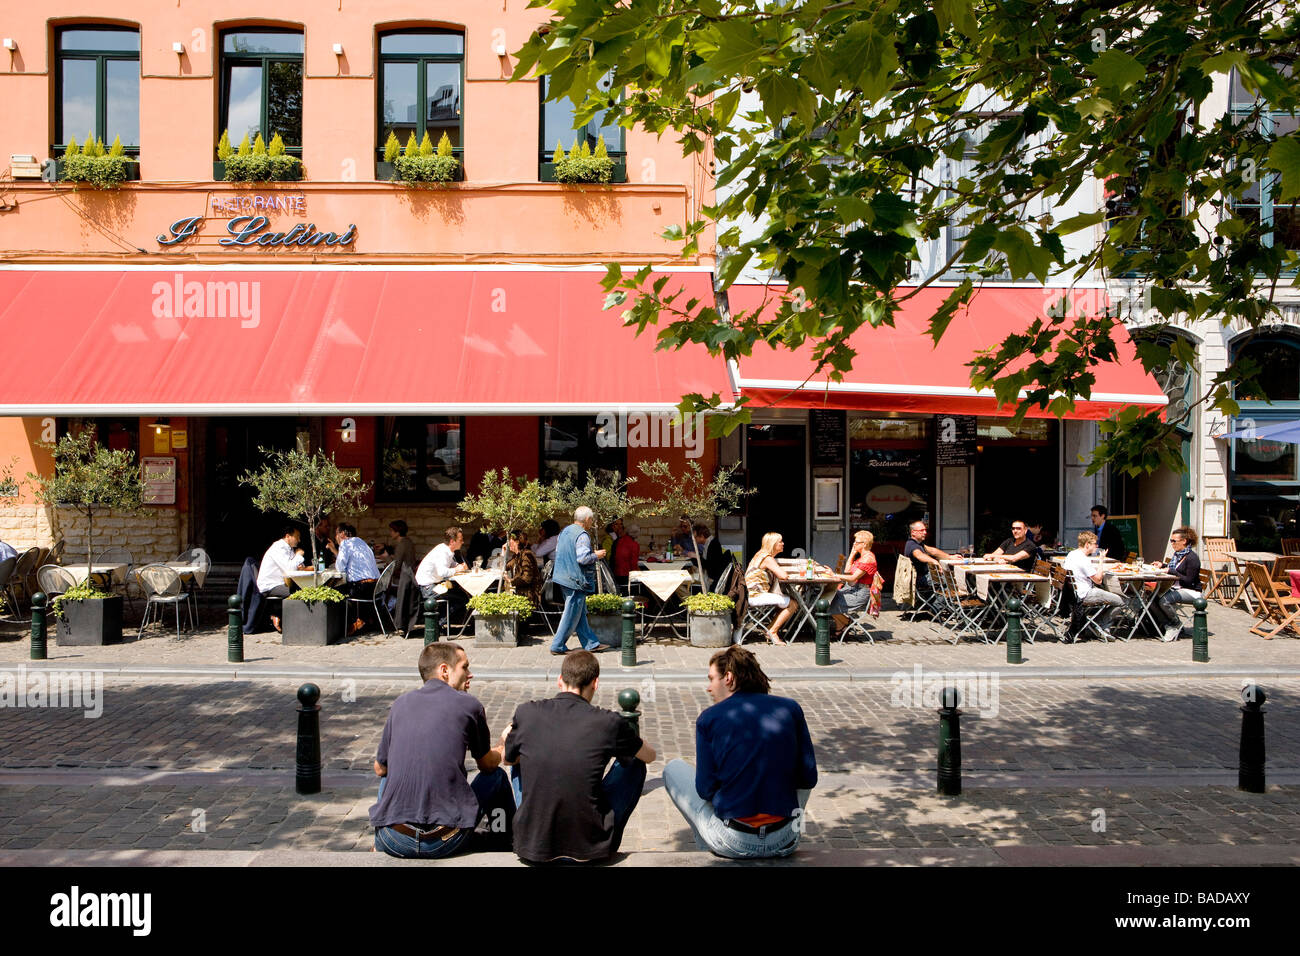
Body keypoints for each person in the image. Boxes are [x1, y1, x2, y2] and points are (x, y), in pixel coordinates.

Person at [663, 646, 817, 859]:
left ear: (728, 678)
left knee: (673, 768)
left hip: (733, 839)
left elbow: (705, 789)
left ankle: (708, 848)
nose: (709, 688)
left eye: (711, 679)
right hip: (785, 838)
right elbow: (809, 778)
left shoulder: (710, 718)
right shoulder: (790, 708)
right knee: (794, 769)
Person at [504, 650, 656, 863]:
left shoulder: (527, 712)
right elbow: (649, 756)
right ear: (595, 683)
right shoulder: (607, 722)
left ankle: (535, 827)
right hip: (589, 848)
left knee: (518, 757)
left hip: (534, 849)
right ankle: (603, 833)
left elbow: (507, 760)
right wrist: (629, 740)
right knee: (635, 764)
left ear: (560, 680)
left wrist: (510, 736)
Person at [369, 643, 515, 859]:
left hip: (395, 839)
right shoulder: (469, 705)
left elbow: (379, 768)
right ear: (445, 671)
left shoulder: (400, 704)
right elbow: (486, 764)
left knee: (387, 775)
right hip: (446, 839)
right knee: (497, 778)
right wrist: (502, 745)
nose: (470, 674)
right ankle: (504, 841)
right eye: (465, 667)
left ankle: (379, 843)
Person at [549, 506, 607, 655]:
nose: (592, 522)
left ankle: (591, 643)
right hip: (575, 580)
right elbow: (582, 558)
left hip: (563, 576)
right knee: (571, 614)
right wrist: (597, 555)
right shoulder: (582, 535)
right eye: (591, 519)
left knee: (578, 613)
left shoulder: (565, 531)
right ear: (587, 519)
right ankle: (557, 645)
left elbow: (565, 552)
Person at [1063, 530, 1124, 640]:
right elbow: (1098, 580)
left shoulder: (1072, 554)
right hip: (1085, 594)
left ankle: (1095, 625)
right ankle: (1099, 625)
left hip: (1072, 594)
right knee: (1121, 601)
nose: (1097, 546)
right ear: (1087, 544)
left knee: (1110, 596)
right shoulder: (1083, 559)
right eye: (1095, 544)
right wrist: (1101, 560)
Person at [744, 532, 796, 644]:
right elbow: (783, 576)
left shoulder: (760, 554)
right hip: (756, 596)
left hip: (752, 594)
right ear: (773, 544)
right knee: (793, 603)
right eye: (780, 541)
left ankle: (770, 630)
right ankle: (772, 631)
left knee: (783, 602)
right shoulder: (767, 558)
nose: (783, 543)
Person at [256, 526, 311, 632]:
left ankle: (282, 617)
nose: (299, 540)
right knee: (300, 592)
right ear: (288, 536)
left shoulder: (289, 549)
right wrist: (299, 555)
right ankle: (289, 621)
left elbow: (293, 567)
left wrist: (299, 564)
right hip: (271, 585)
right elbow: (289, 568)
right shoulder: (278, 548)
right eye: (297, 537)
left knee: (304, 589)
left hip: (282, 583)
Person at [1153, 526, 1202, 642]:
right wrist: (1163, 565)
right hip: (1176, 587)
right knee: (1151, 598)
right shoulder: (1177, 555)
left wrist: (1170, 571)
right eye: (1171, 541)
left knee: (1164, 600)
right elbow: (1174, 568)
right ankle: (1167, 625)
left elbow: (1188, 580)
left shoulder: (1192, 558)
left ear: (1184, 541)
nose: (1172, 544)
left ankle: (1175, 624)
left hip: (1191, 591)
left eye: (1174, 541)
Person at [830, 529, 881, 631]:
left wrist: (834, 575)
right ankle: (841, 628)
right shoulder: (862, 557)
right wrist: (852, 553)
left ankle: (847, 623)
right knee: (828, 599)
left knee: (829, 605)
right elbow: (847, 570)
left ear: (864, 544)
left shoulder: (868, 559)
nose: (854, 544)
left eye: (856, 542)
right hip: (852, 589)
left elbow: (853, 577)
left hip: (860, 592)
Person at [416, 527, 469, 623]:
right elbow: (442, 572)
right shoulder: (442, 552)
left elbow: (450, 563)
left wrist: (458, 565)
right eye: (460, 540)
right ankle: (437, 623)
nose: (463, 542)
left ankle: (441, 622)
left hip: (433, 585)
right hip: (427, 588)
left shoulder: (446, 550)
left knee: (460, 594)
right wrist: (456, 569)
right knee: (462, 599)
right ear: (452, 541)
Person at [335, 523, 380, 634]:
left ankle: (348, 625)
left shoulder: (346, 543)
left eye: (336, 533)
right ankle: (365, 618)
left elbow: (340, 567)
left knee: (336, 592)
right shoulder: (362, 542)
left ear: (342, 534)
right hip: (375, 587)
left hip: (361, 588)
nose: (335, 537)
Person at [903, 520, 952, 604]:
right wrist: (934, 561)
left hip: (922, 577)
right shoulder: (912, 545)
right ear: (913, 532)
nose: (925, 532)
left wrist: (950, 557)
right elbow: (918, 555)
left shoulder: (918, 543)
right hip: (919, 579)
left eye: (925, 530)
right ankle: (937, 607)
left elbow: (932, 551)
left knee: (948, 579)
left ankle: (933, 604)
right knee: (951, 582)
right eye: (922, 530)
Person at [505, 529, 542, 612]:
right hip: (520, 592)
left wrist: (510, 581)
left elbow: (526, 579)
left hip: (527, 595)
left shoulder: (526, 556)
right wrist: (504, 553)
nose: (508, 543)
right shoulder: (517, 555)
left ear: (517, 541)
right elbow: (506, 567)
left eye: (509, 540)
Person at [693, 523, 729, 589]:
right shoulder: (708, 543)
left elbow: (709, 565)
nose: (694, 539)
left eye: (695, 537)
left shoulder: (713, 544)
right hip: (710, 576)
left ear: (702, 536)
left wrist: (696, 557)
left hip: (713, 579)